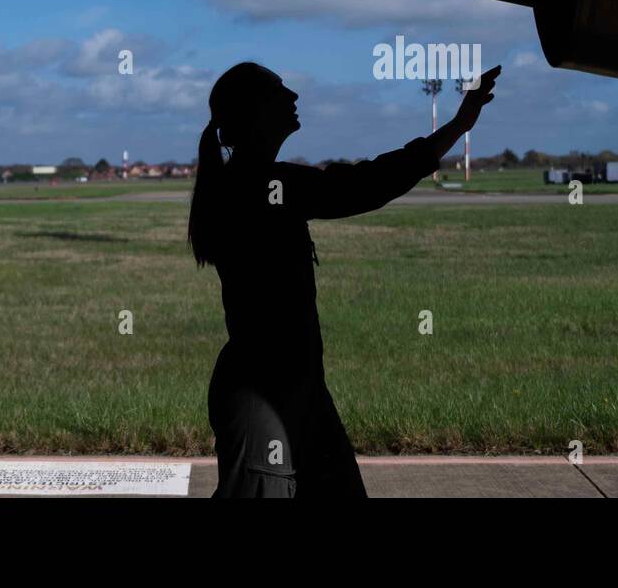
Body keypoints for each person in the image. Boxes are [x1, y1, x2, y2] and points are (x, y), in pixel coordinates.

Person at [188, 61, 500, 497]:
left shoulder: (252, 181)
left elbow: (363, 182)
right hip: (266, 396)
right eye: (280, 91)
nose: (294, 97)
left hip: (296, 388)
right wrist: (458, 126)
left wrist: (456, 126)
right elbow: (367, 184)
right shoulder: (261, 186)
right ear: (256, 111)